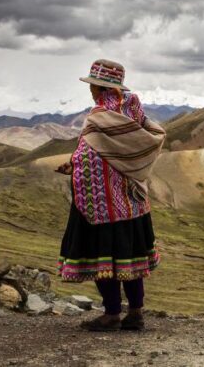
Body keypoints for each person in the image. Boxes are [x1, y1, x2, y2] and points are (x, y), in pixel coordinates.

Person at [55, 59, 166, 331]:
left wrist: (75, 166)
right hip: (133, 203)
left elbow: (91, 157)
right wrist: (77, 163)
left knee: (103, 258)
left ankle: (112, 314)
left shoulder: (99, 117)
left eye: (92, 85)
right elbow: (129, 152)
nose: (90, 90)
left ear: (98, 87)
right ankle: (136, 313)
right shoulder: (134, 114)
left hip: (100, 207)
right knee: (130, 259)